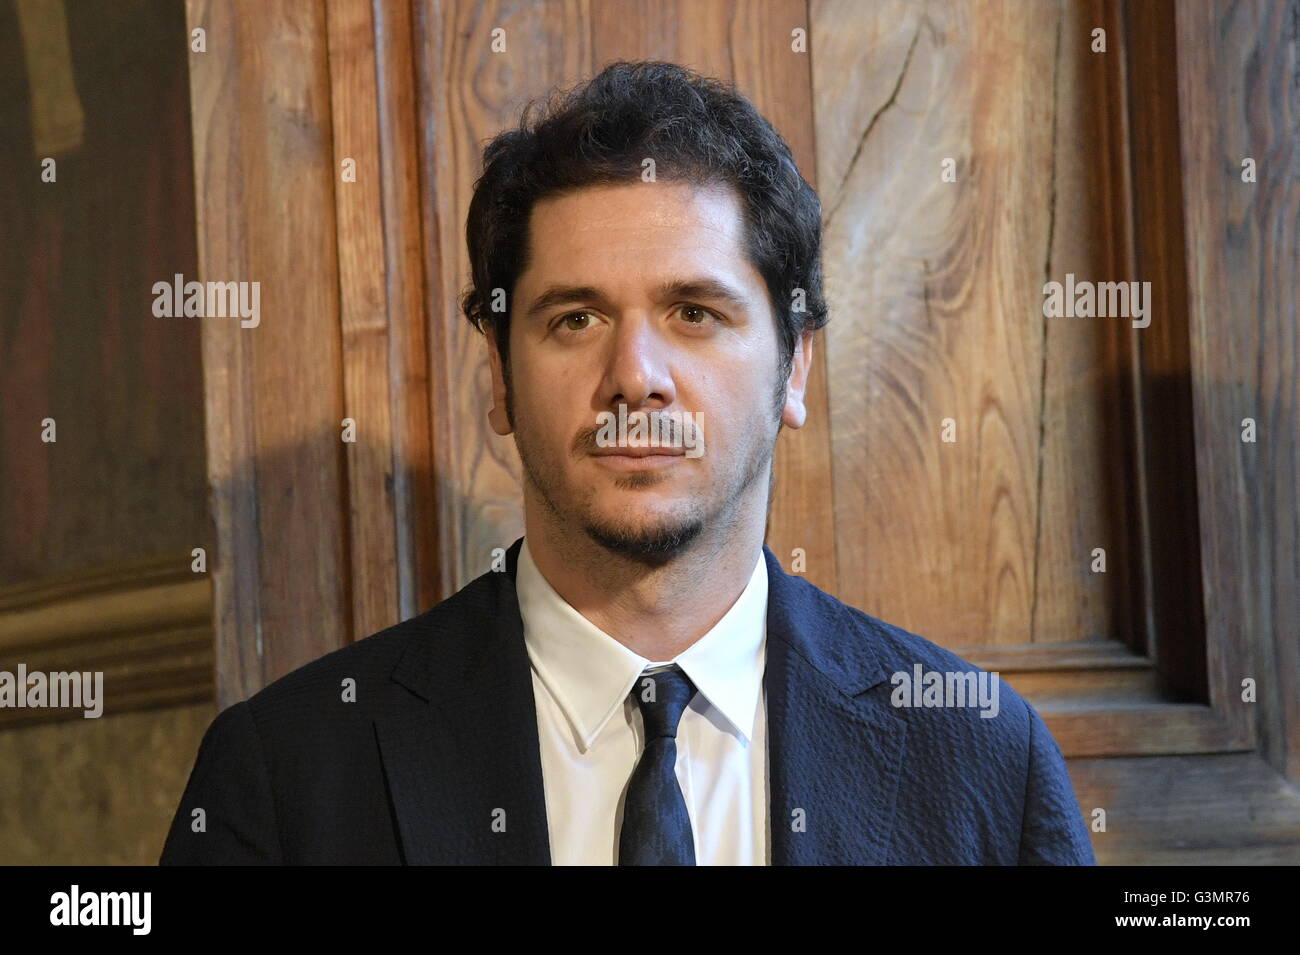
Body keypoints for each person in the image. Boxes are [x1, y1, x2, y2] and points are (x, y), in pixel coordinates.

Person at [160, 60, 1095, 866]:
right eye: (576, 319)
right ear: (500, 374)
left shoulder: (979, 756)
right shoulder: (287, 773)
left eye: (696, 312)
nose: (635, 378)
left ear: (795, 363)